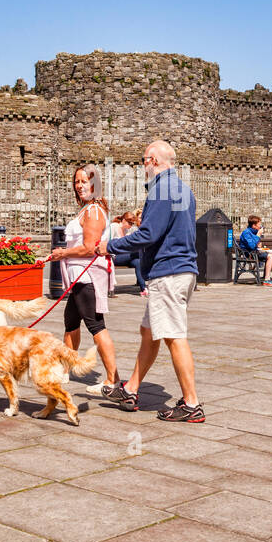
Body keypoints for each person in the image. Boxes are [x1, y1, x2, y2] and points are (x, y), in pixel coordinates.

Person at [97, 140, 203, 422]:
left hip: (168, 271)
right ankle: (131, 388)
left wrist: (111, 246)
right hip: (181, 269)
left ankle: (191, 404)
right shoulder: (182, 189)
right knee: (149, 332)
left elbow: (149, 234)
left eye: (144, 160)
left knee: (173, 336)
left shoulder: (162, 190)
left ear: (154, 161)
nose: (142, 166)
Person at [49, 164, 121, 394]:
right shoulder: (88, 209)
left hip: (87, 275)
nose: (80, 186)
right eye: (77, 182)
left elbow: (90, 248)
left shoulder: (93, 211)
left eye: (84, 181)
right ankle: (65, 369)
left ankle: (112, 380)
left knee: (96, 325)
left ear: (95, 184)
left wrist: (63, 253)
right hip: (78, 277)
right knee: (71, 321)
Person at [108, 211, 148, 294]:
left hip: (126, 256)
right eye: (129, 223)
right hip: (114, 256)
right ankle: (149, 257)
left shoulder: (126, 231)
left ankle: (143, 289)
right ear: (123, 220)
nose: (130, 225)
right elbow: (108, 243)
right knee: (138, 253)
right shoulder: (114, 226)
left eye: (132, 224)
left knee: (138, 262)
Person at [239, 215, 272, 285]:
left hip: (255, 252)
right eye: (259, 224)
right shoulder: (246, 233)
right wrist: (258, 235)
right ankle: (266, 280)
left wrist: (259, 246)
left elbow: (255, 245)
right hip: (249, 254)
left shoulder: (255, 231)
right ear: (254, 225)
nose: (260, 226)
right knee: (270, 256)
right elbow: (251, 246)